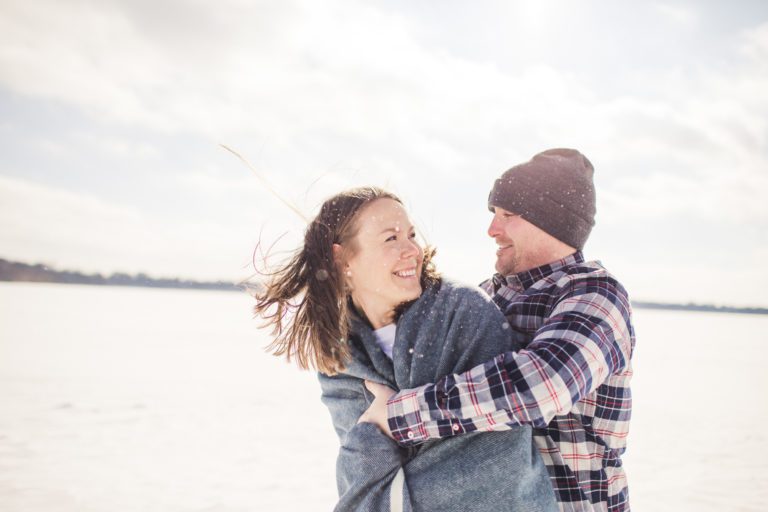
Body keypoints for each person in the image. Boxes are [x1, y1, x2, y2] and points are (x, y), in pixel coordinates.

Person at [362, 149, 636, 512]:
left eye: (508, 215)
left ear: (551, 221)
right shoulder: (482, 296)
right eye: (494, 214)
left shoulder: (594, 295)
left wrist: (399, 416)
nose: (492, 229)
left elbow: (541, 388)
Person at [253, 187, 557, 511]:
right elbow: (363, 484)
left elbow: (495, 464)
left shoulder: (463, 315)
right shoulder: (342, 357)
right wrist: (374, 436)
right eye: (391, 239)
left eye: (411, 235)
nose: (412, 249)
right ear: (341, 259)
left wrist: (390, 420)